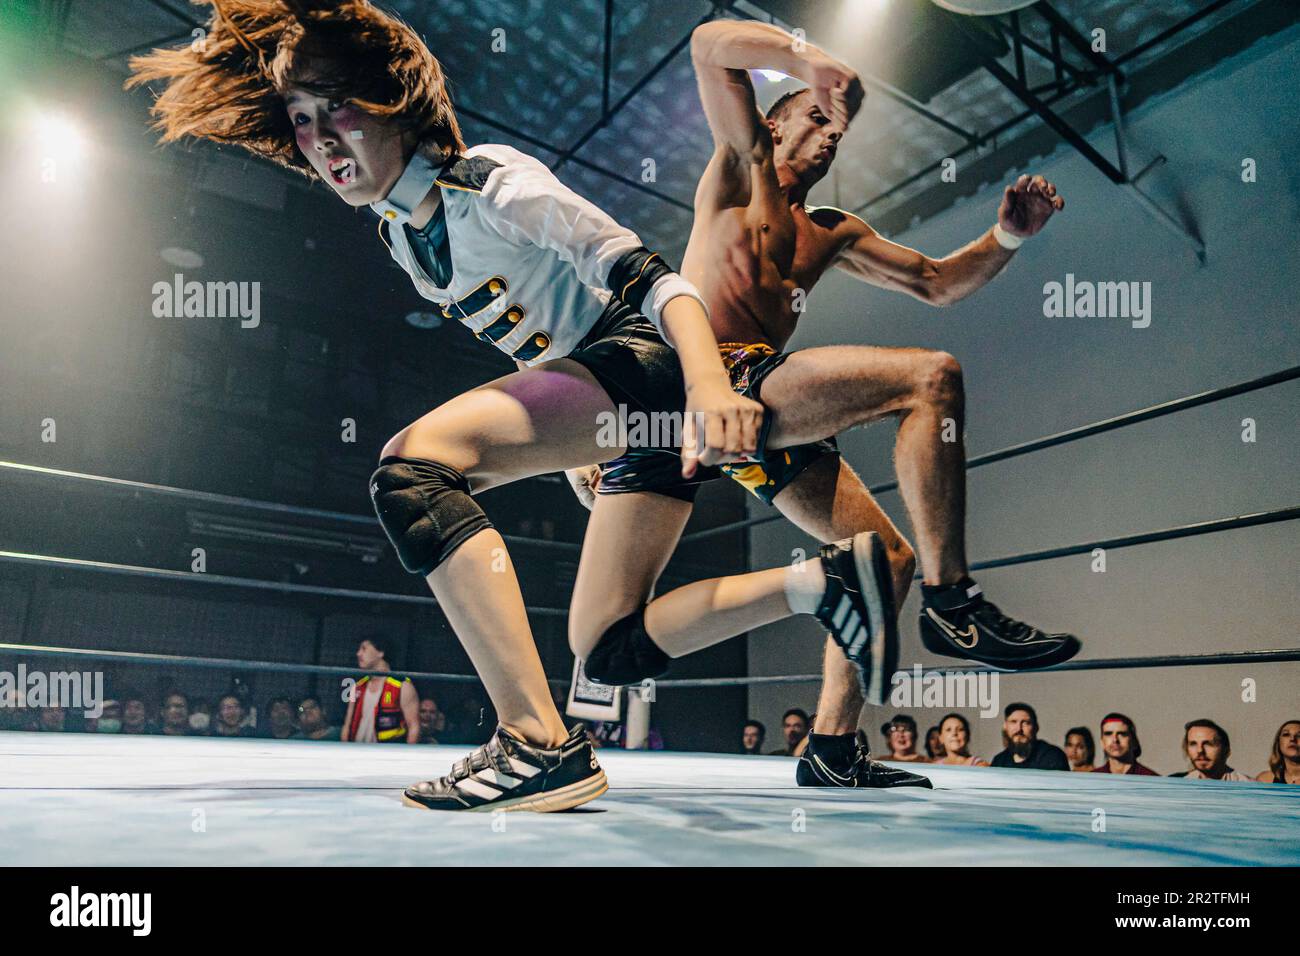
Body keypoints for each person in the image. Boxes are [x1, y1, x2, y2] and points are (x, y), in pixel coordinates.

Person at [130, 0, 759, 813]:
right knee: (609, 638)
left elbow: (651, 277)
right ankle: (827, 584)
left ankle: (538, 741)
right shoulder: (400, 234)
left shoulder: (491, 182)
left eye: (339, 108)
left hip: (647, 359)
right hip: (612, 392)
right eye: (301, 119)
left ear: (394, 97)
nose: (321, 139)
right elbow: (534, 338)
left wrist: (708, 384)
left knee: (413, 468)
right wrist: (582, 441)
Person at [567, 17, 1076, 792]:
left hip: (765, 398)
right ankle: (955, 601)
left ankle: (834, 748)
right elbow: (708, 45)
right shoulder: (743, 169)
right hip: (703, 380)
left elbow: (938, 282)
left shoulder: (834, 229)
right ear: (773, 122)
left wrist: (1005, 238)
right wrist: (803, 57)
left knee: (886, 557)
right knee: (929, 377)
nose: (830, 132)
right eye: (815, 116)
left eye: (837, 128)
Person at [341, 636, 420, 744]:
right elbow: (347, 725)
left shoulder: (402, 686)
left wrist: (408, 756)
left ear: (380, 652)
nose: (358, 653)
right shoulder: (357, 686)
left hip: (388, 754)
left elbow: (414, 726)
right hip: (356, 753)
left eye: (364, 649)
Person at [990, 703, 1068, 771]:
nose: (1019, 729)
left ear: (1036, 727)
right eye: (1013, 722)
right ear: (1005, 727)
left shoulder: (1052, 756)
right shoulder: (999, 761)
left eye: (1026, 723)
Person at [1166, 719, 1248, 780]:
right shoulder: (1176, 784)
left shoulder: (1249, 786)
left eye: (1208, 744)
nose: (1200, 750)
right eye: (1193, 744)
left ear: (1226, 751)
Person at [1093, 713, 1159, 776]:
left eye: (1122, 734)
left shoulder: (1152, 779)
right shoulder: (1091, 779)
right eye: (1108, 734)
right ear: (1102, 742)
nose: (1115, 740)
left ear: (1133, 741)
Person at [1256, 720, 1300, 784]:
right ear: (1278, 743)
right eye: (1286, 734)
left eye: (1299, 735)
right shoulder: (1265, 780)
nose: (1292, 739)